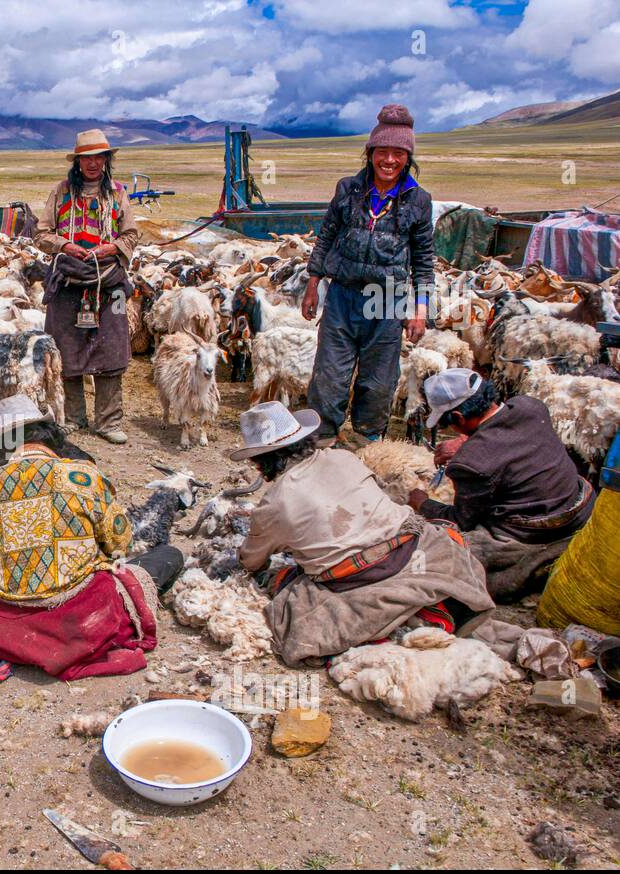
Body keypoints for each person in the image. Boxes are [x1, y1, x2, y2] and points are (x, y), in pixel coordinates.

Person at [233, 401, 493, 665]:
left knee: (291, 604)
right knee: (438, 535)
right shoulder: (343, 457)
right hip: (412, 549)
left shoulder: (275, 504)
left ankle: (401, 622)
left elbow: (251, 561)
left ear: (260, 461)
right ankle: (433, 608)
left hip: (360, 577)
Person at [0, 395, 183, 681]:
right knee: (169, 555)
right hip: (74, 617)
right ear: (48, 436)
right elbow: (120, 542)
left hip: (3, 615)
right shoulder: (83, 476)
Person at [303, 104, 434, 444]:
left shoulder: (419, 201)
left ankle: (367, 441)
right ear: (370, 153)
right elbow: (327, 236)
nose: (388, 161)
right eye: (382, 152)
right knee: (329, 374)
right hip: (343, 296)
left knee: (378, 380)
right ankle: (322, 439)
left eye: (398, 154)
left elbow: (423, 259)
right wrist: (313, 284)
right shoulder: (348, 189)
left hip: (387, 301)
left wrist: (420, 310)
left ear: (408, 158)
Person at [408, 369, 595, 601]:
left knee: (432, 555)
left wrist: (422, 503)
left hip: (532, 534)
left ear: (458, 417)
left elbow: (461, 519)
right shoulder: (530, 406)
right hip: (578, 511)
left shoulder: (471, 463)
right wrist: (469, 440)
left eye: (450, 425)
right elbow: (507, 437)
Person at [34, 129, 140, 444]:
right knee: (65, 347)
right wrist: (65, 246)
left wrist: (109, 249)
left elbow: (131, 234)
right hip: (68, 280)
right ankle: (73, 417)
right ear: (78, 161)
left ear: (107, 161)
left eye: (99, 157)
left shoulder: (118, 194)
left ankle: (108, 421)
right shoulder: (62, 192)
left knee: (111, 347)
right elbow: (41, 233)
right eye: (87, 158)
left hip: (108, 282)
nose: (93, 164)